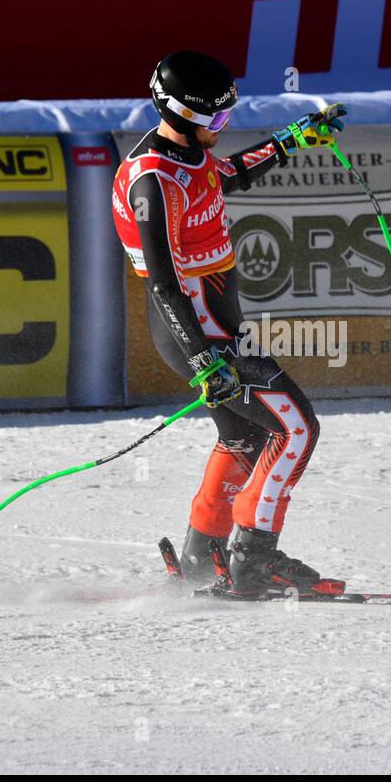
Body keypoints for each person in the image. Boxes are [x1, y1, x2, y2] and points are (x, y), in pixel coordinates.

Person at [111, 51, 346, 595]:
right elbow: (163, 283)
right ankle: (252, 559)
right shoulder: (153, 179)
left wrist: (292, 138)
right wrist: (203, 359)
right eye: (215, 120)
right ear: (179, 113)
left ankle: (202, 553)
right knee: (295, 429)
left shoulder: (187, 154)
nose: (224, 128)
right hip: (196, 331)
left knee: (243, 433)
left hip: (216, 326)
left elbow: (227, 174)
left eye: (227, 116)